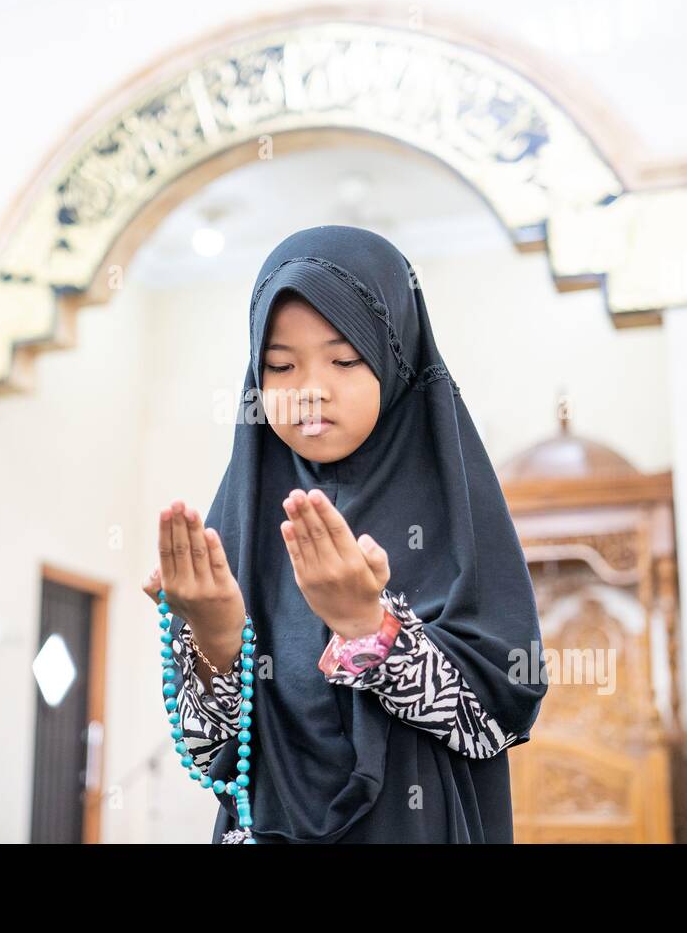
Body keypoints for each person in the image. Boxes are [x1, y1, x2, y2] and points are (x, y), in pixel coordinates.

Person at [142, 224, 548, 843]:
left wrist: (369, 628)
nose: (310, 389)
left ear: (395, 357)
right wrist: (215, 640)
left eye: (345, 359)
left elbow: (496, 722)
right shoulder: (239, 522)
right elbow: (211, 755)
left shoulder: (454, 514)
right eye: (280, 365)